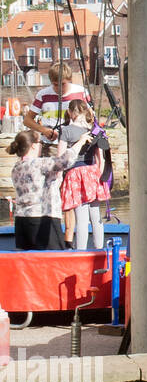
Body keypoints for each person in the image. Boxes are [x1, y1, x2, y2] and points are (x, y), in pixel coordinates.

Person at [5, 128, 90, 250]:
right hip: (43, 219)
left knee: (27, 262)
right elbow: (65, 160)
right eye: (41, 143)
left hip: (21, 221)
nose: (42, 146)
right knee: (53, 261)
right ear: (33, 146)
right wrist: (80, 142)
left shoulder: (16, 168)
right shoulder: (39, 164)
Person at [57, 100, 111, 249]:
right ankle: (100, 250)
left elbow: (60, 157)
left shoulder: (65, 130)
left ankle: (81, 252)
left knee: (81, 219)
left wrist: (59, 178)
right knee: (96, 216)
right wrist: (100, 176)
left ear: (70, 112)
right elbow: (100, 157)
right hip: (92, 172)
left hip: (75, 173)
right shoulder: (94, 130)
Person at [23, 61, 89, 146]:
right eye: (55, 84)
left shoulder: (81, 92)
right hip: (50, 145)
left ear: (70, 79)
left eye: (63, 84)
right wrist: (44, 130)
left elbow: (91, 117)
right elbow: (27, 120)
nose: (59, 88)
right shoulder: (43, 95)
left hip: (76, 145)